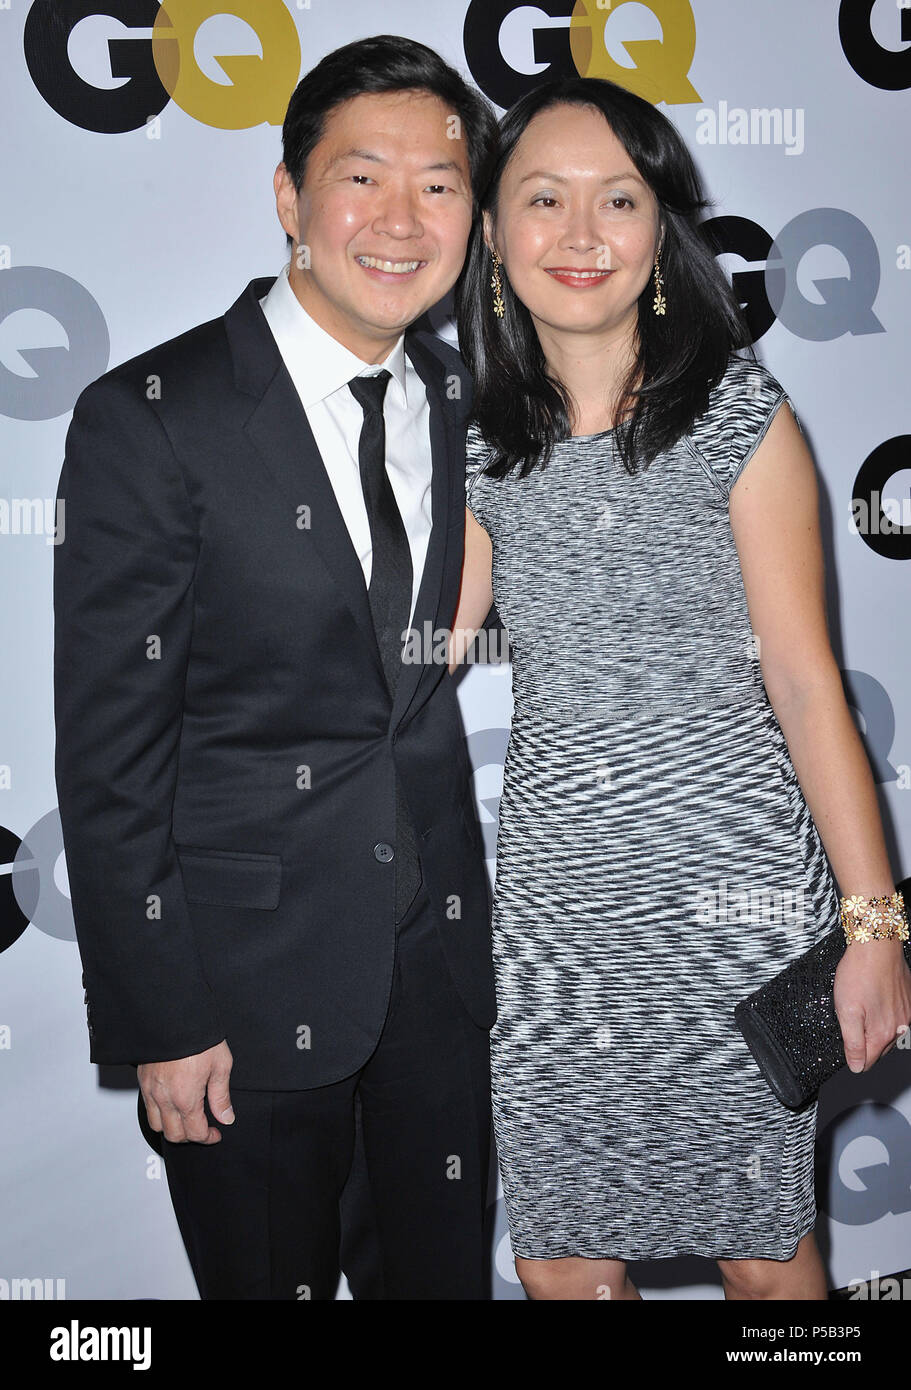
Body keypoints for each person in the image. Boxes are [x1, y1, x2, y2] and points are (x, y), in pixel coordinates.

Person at [450, 75, 911, 1301]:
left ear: (663, 232)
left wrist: (872, 930)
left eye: (619, 199)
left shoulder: (737, 418)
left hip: (733, 901)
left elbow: (808, 688)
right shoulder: (474, 441)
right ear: (492, 232)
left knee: (764, 1253)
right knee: (558, 1259)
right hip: (557, 921)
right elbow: (423, 644)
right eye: (541, 199)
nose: (581, 233)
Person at [53, 35, 499, 1301]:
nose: (401, 220)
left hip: (434, 971)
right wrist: (163, 1012)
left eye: (440, 183)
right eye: (362, 177)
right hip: (239, 988)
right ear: (289, 196)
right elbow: (109, 750)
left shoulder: (471, 402)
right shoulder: (153, 414)